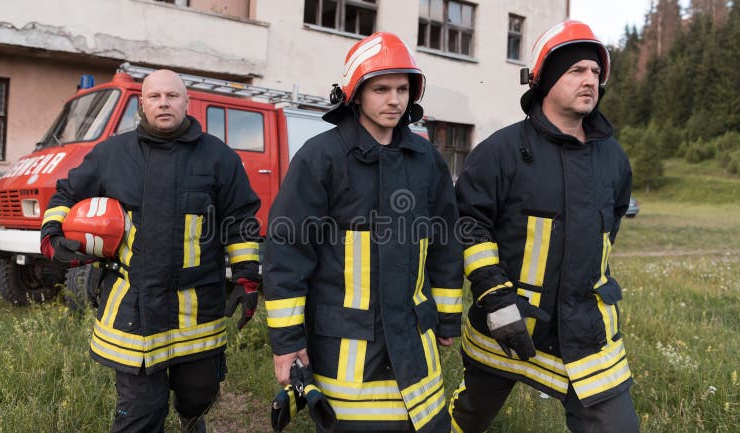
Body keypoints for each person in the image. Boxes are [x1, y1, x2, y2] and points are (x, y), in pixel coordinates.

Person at [40, 69, 262, 433]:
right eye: (155, 96)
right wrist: (52, 233)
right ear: (141, 102)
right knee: (141, 412)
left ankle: (192, 419)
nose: (163, 103)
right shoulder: (111, 154)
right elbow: (66, 194)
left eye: (172, 96)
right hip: (133, 309)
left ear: (187, 103)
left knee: (198, 397)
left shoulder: (220, 159)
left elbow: (239, 220)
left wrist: (247, 278)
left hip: (197, 310)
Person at [263, 32, 463, 433]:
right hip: (348, 357)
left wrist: (447, 320)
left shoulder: (426, 159)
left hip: (415, 349)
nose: (395, 100)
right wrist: (286, 342)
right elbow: (288, 251)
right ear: (355, 94)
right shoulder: (321, 158)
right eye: (382, 89)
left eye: (403, 89)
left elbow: (445, 243)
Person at [450, 20, 640, 433]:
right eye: (576, 71)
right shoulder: (500, 152)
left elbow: (610, 231)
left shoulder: (614, 160)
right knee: (465, 420)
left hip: (586, 335)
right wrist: (496, 299)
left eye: (595, 71)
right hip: (505, 327)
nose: (590, 79)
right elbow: (468, 226)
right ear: (545, 80)